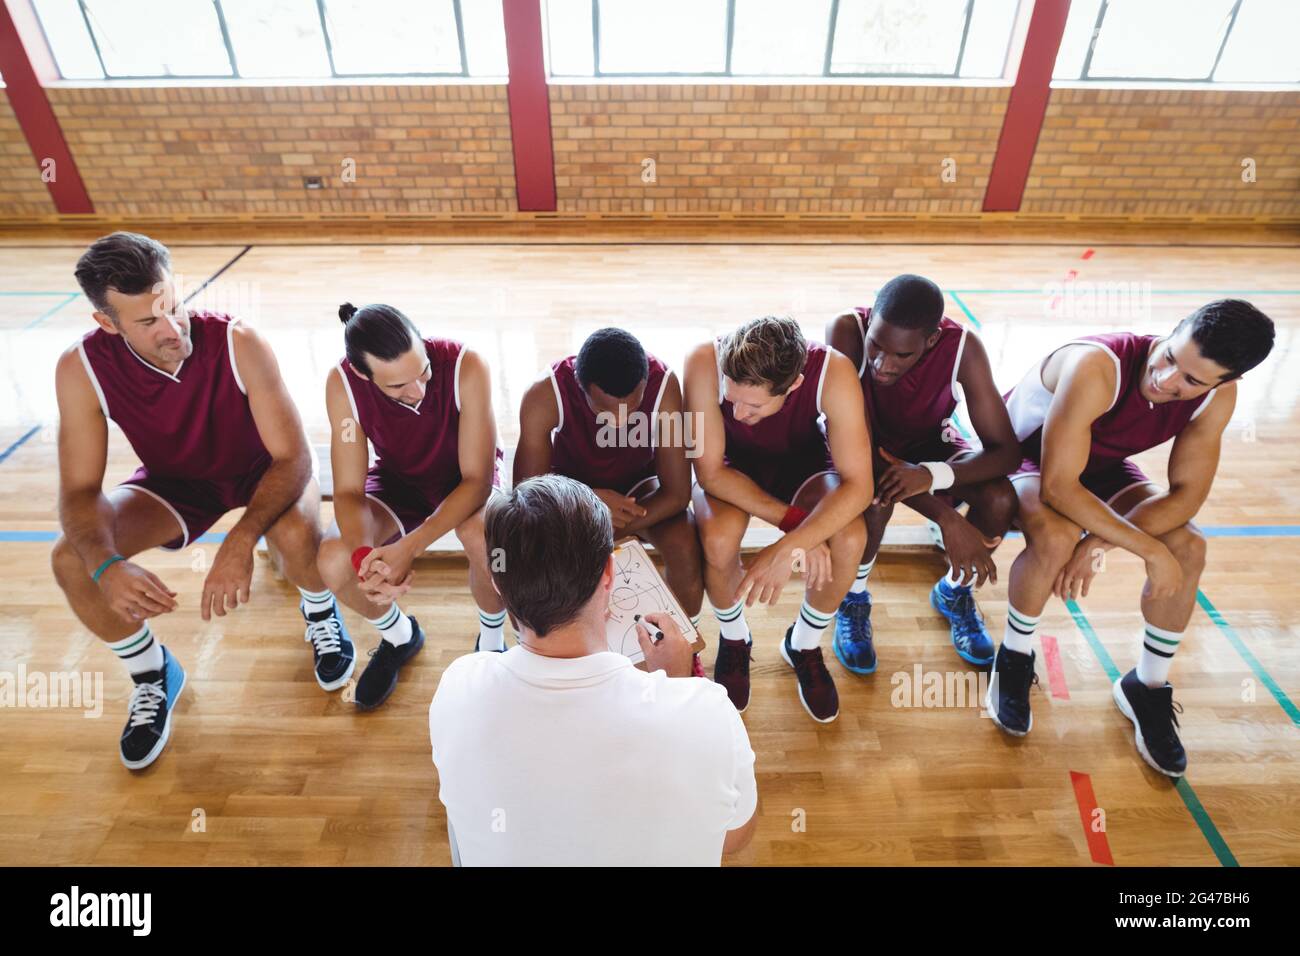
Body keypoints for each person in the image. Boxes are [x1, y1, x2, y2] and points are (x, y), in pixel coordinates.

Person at [51, 231, 348, 770]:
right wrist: (106, 564)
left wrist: (239, 539)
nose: (171, 329)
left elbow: (295, 459)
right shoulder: (80, 369)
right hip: (176, 482)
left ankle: (321, 613)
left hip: (266, 468)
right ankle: (152, 672)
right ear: (107, 324)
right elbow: (78, 492)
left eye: (172, 306)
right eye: (147, 322)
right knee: (71, 558)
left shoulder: (240, 342)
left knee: (294, 536)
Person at [988, 300, 1275, 777]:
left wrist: (1101, 542)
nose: (1166, 380)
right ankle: (1014, 656)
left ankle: (1147, 684)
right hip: (1019, 457)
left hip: (1096, 469)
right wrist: (1143, 547)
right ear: (1175, 328)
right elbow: (1059, 485)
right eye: (1169, 357)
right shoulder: (1097, 365)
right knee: (1058, 537)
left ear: (1225, 382)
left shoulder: (1218, 398)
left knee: (1188, 546)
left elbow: (1186, 498)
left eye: (1191, 381)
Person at [429, 475, 758, 866]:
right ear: (608, 572)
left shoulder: (458, 688)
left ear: (497, 581)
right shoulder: (707, 711)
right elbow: (735, 836)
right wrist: (679, 684)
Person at [825, 274, 1020, 672]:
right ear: (871, 319)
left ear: (930, 342)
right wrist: (947, 518)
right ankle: (853, 597)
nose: (882, 363)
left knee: (1001, 497)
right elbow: (859, 452)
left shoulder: (963, 348)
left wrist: (933, 475)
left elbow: (1006, 452)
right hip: (862, 446)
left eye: (901, 355)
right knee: (876, 495)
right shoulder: (846, 330)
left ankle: (954, 591)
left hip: (927, 446)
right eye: (877, 346)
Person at [316, 302, 505, 710]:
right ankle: (400, 636)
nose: (417, 390)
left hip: (466, 477)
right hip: (400, 479)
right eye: (397, 387)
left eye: (422, 373)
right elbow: (348, 490)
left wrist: (410, 547)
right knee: (335, 560)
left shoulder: (467, 365)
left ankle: (492, 642)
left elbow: (477, 483)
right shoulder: (342, 384)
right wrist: (369, 559)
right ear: (363, 375)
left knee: (481, 535)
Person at [683, 316, 872, 722]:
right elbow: (710, 472)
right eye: (731, 398)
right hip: (731, 467)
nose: (738, 411)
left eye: (754, 405)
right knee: (716, 538)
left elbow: (860, 486)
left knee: (851, 538)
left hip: (800, 466)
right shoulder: (702, 361)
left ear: (795, 385)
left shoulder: (833, 371)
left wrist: (791, 545)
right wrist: (798, 528)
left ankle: (802, 644)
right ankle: (735, 639)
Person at [514, 327, 705, 671]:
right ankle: (554, 649)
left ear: (645, 384)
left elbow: (677, 493)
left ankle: (683, 645)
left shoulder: (665, 386)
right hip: (568, 493)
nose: (619, 421)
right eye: (606, 411)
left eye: (631, 409)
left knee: (685, 543)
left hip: (639, 488)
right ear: (580, 386)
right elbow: (527, 494)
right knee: (532, 549)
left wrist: (613, 524)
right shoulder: (544, 394)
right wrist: (588, 508)